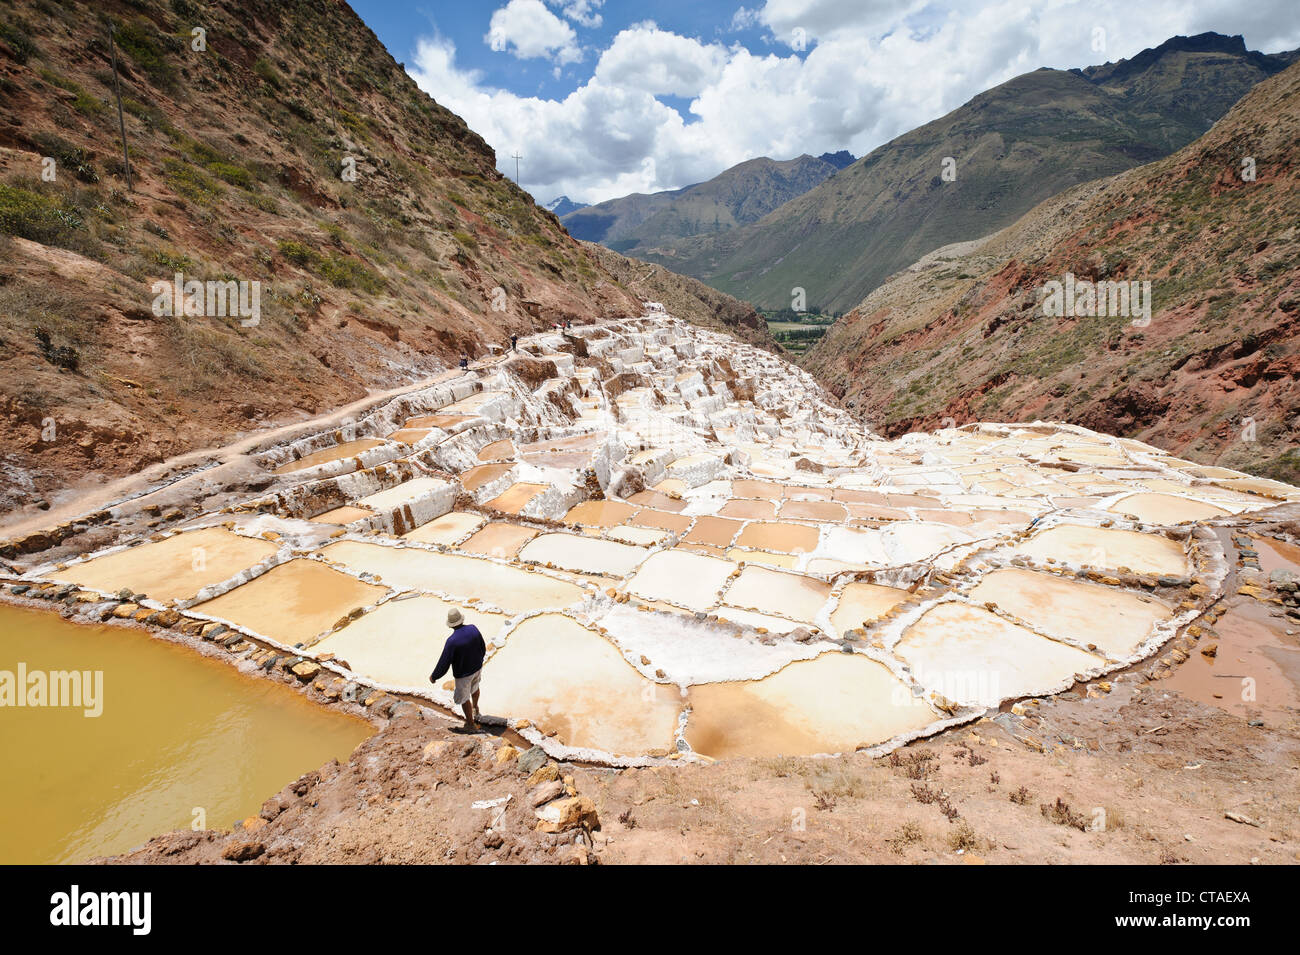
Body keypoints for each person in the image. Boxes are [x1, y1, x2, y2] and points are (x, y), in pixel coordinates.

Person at [430, 608, 486, 731]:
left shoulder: (452, 641)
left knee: (464, 697)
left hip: (463, 674)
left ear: (450, 625)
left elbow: (444, 663)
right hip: (477, 667)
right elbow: (483, 646)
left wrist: (434, 676)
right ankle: (476, 709)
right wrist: (479, 661)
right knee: (475, 687)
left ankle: (470, 725)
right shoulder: (473, 629)